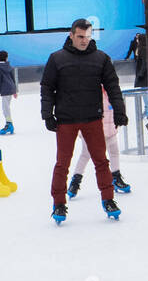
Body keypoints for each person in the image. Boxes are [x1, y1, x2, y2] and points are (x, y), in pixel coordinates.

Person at [41, 19, 127, 224]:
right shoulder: (57, 58)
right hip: (66, 120)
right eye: (80, 37)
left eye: (87, 37)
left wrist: (119, 111)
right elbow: (47, 87)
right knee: (62, 163)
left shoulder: (101, 58)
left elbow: (113, 86)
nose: (84, 41)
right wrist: (47, 114)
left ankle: (108, 199)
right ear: (71, 35)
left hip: (92, 118)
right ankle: (59, 203)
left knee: (101, 161)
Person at [68, 87, 131, 199]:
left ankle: (116, 177)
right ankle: (75, 181)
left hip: (110, 129)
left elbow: (115, 107)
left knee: (114, 152)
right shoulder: (90, 92)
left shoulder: (111, 92)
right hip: (92, 132)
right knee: (85, 155)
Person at [0, 50, 18, 134]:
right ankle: (9, 123)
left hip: (4, 89)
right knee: (6, 107)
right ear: (6, 57)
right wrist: (15, 90)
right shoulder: (9, 66)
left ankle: (9, 124)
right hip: (10, 88)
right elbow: (13, 78)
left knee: (5, 108)